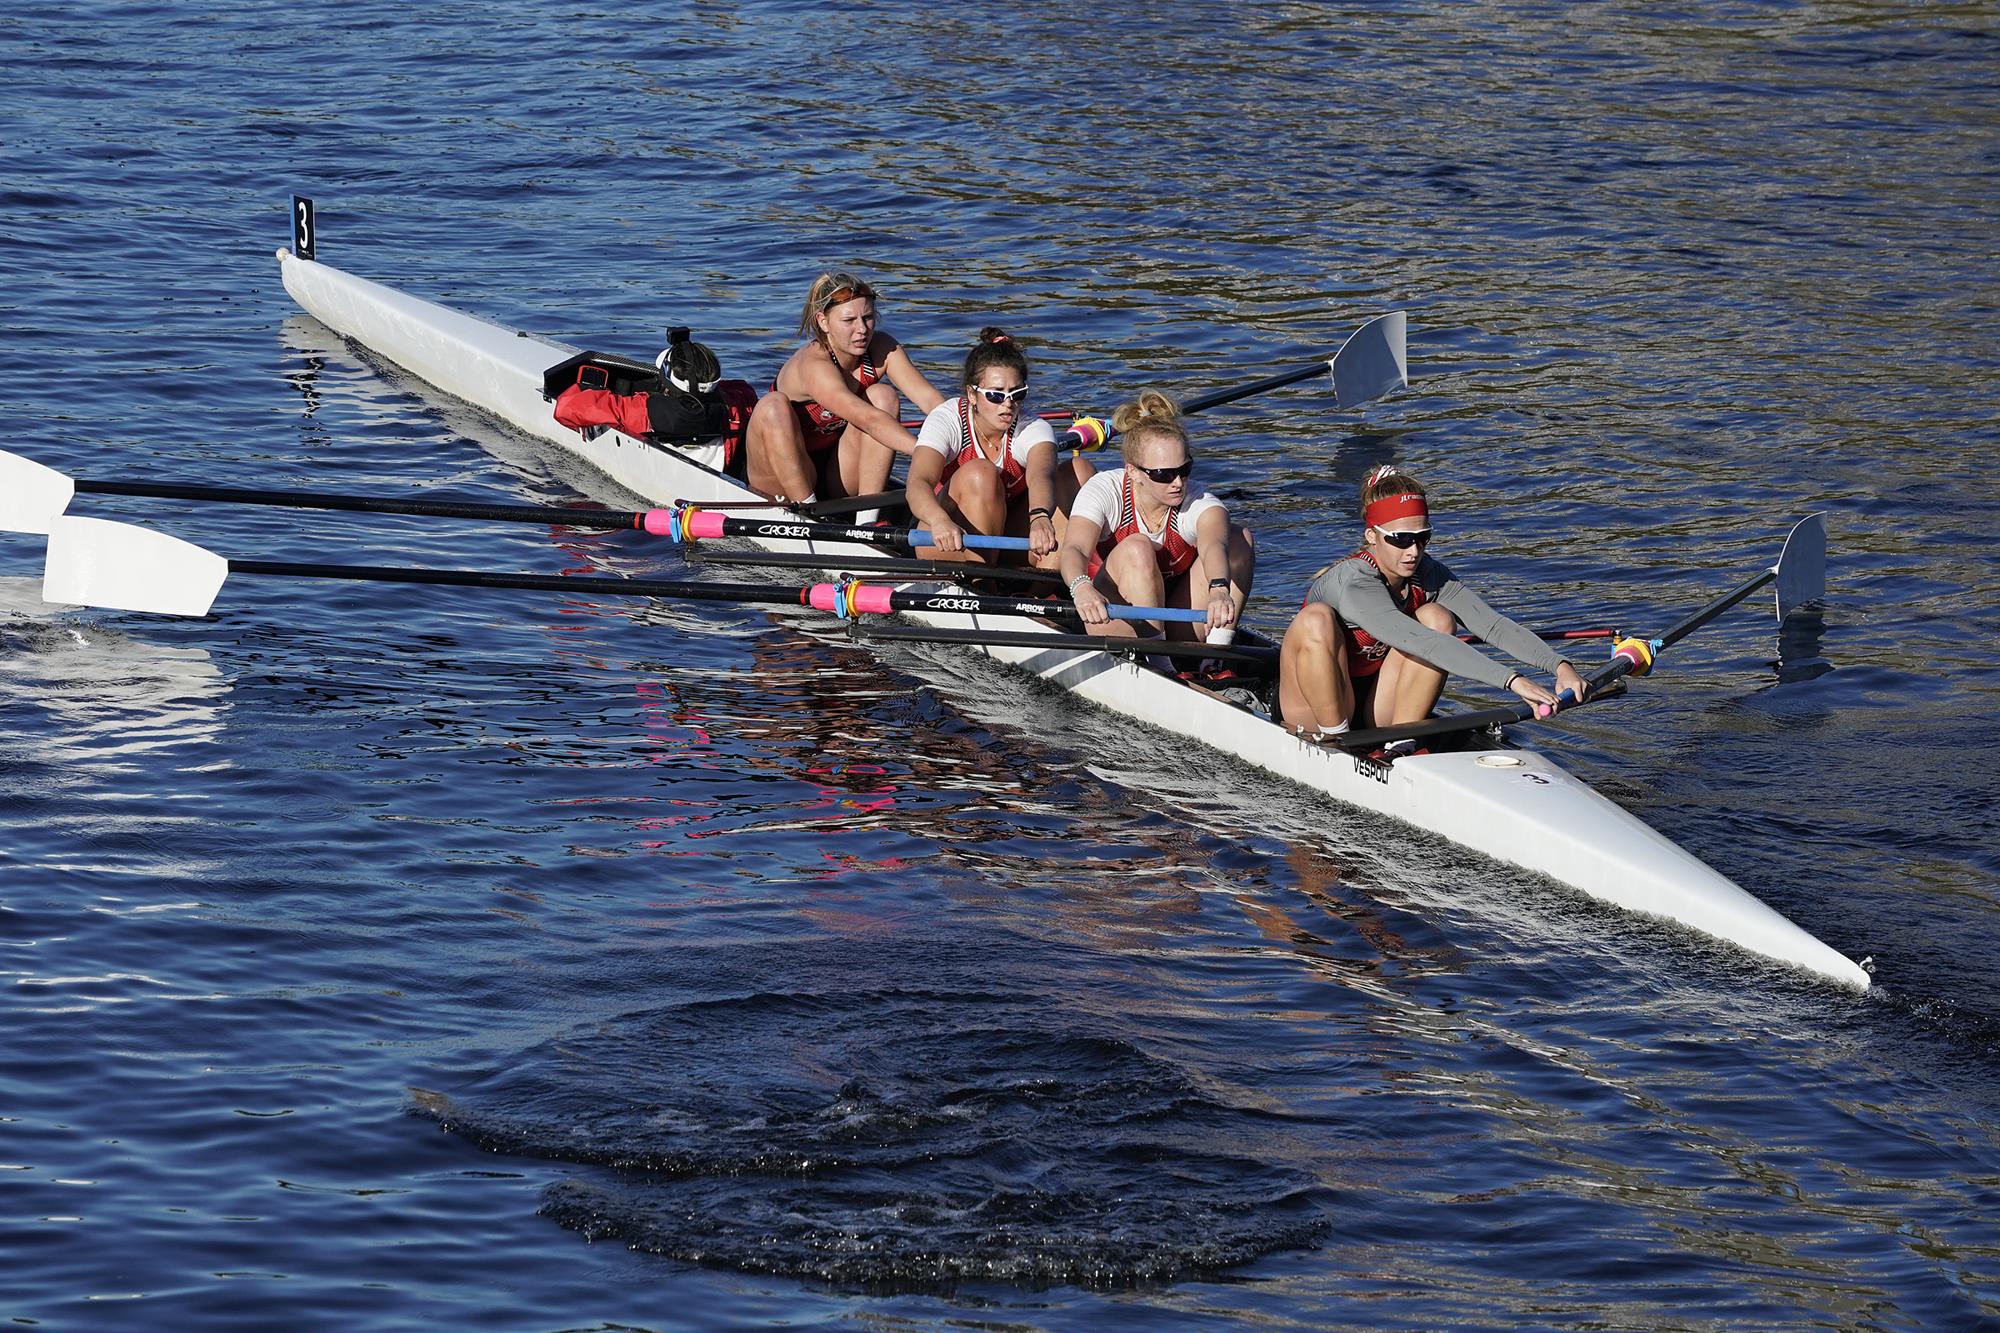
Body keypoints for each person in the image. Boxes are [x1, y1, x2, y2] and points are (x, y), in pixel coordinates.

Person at [1278, 464, 1589, 743]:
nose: (1414, 551)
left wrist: (1560, 666)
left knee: (1437, 617)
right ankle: (1335, 741)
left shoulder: (1428, 573)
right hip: (1313, 713)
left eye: (1422, 537)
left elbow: (1492, 625)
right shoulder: (1353, 582)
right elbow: (1426, 645)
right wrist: (1514, 682)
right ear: (1371, 536)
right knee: (1315, 619)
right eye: (1400, 539)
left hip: (1377, 704)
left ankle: (1401, 740)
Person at [1055, 390, 1254, 645]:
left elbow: (1215, 545)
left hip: (1177, 616)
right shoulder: (1105, 490)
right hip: (1120, 617)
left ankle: (1214, 656)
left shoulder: (1200, 501)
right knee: (1138, 546)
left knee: (1239, 539)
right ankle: (1163, 666)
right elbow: (1074, 550)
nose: (1178, 483)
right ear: (1133, 472)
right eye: (1163, 474)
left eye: (1184, 470)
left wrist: (1218, 588)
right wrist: (1081, 587)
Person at [743, 270, 945, 508]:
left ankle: (867, 519)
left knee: (883, 396)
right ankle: (808, 511)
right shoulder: (814, 366)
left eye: (868, 317)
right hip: (778, 474)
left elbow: (932, 402)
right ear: (823, 322)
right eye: (849, 321)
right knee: (772, 406)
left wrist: (967, 438)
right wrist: (929, 452)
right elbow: (868, 420)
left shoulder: (881, 347)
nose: (862, 329)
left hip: (833, 471)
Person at [903, 328, 1094, 568]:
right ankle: (984, 583)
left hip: (1007, 539)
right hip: (947, 537)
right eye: (995, 395)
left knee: (1079, 469)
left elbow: (1041, 476)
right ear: (971, 394)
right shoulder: (947, 419)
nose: (1008, 404)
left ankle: (1043, 590)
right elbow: (917, 484)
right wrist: (939, 519)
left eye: (1017, 393)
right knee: (981, 473)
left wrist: (1039, 516)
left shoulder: (1032, 427)